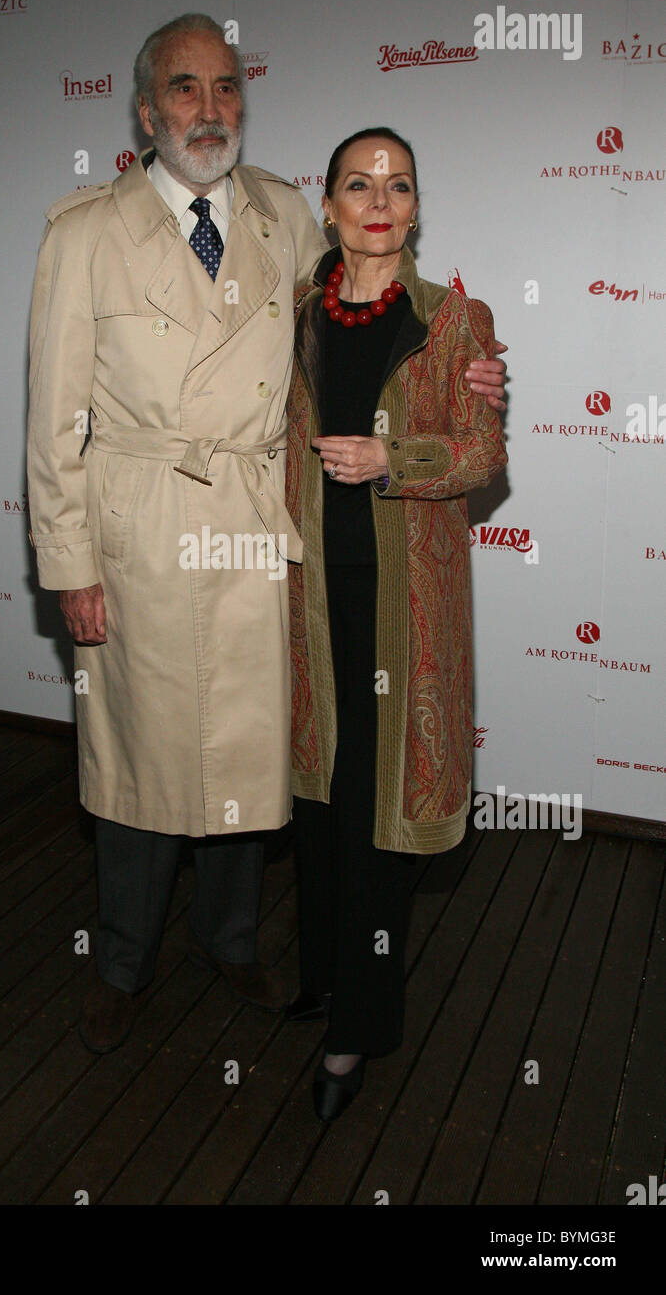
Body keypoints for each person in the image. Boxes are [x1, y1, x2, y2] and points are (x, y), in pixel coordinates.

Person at [27, 16, 507, 1056]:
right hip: (141, 527)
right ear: (147, 112)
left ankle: (231, 939)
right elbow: (55, 418)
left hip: (254, 521)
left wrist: (464, 374)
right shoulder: (80, 234)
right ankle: (120, 958)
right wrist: (67, 565)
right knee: (139, 765)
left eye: (226, 86)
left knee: (250, 751)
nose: (209, 108)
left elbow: (359, 305)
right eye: (184, 88)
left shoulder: (281, 213)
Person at [283, 127, 508, 1121]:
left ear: (415, 209)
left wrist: (393, 461)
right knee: (322, 797)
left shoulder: (455, 320)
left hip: (401, 608)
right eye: (356, 183)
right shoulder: (292, 316)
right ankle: (326, 975)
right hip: (305, 598)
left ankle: (354, 1034)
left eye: (398, 185)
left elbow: (480, 458)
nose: (378, 200)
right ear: (326, 203)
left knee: (377, 813)